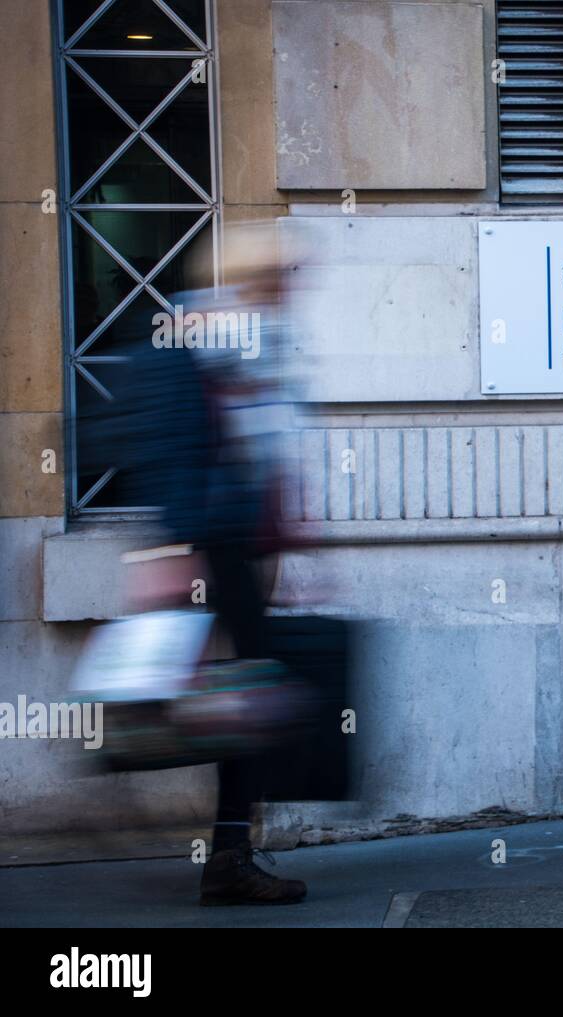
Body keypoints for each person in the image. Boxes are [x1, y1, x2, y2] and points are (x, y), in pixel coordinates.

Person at [111, 223, 308, 905]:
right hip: (206, 551)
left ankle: (230, 851)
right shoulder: (193, 338)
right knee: (233, 702)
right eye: (286, 274)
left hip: (235, 551)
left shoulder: (256, 341)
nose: (294, 287)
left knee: (246, 703)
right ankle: (226, 855)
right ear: (258, 275)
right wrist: (171, 555)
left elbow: (268, 445)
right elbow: (165, 451)